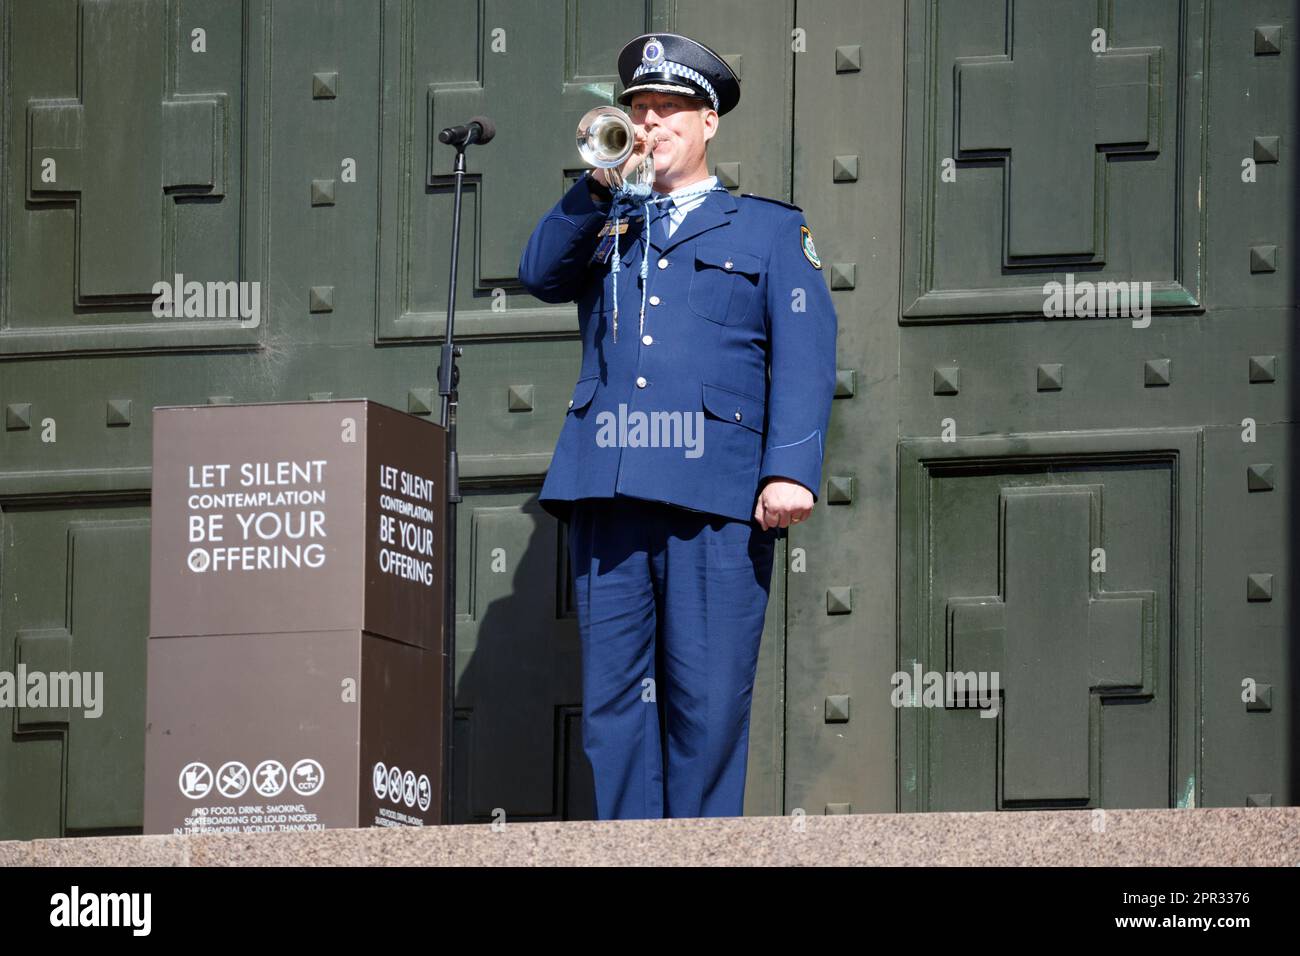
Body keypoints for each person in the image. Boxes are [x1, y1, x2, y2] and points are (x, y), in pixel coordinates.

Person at [518, 32, 837, 819]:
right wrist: (596, 187)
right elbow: (537, 275)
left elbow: (805, 353)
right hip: (610, 483)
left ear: (708, 124)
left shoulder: (765, 230)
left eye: (667, 112)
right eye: (638, 111)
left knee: (706, 700)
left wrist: (789, 468)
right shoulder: (606, 217)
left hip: (714, 493)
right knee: (614, 706)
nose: (650, 126)